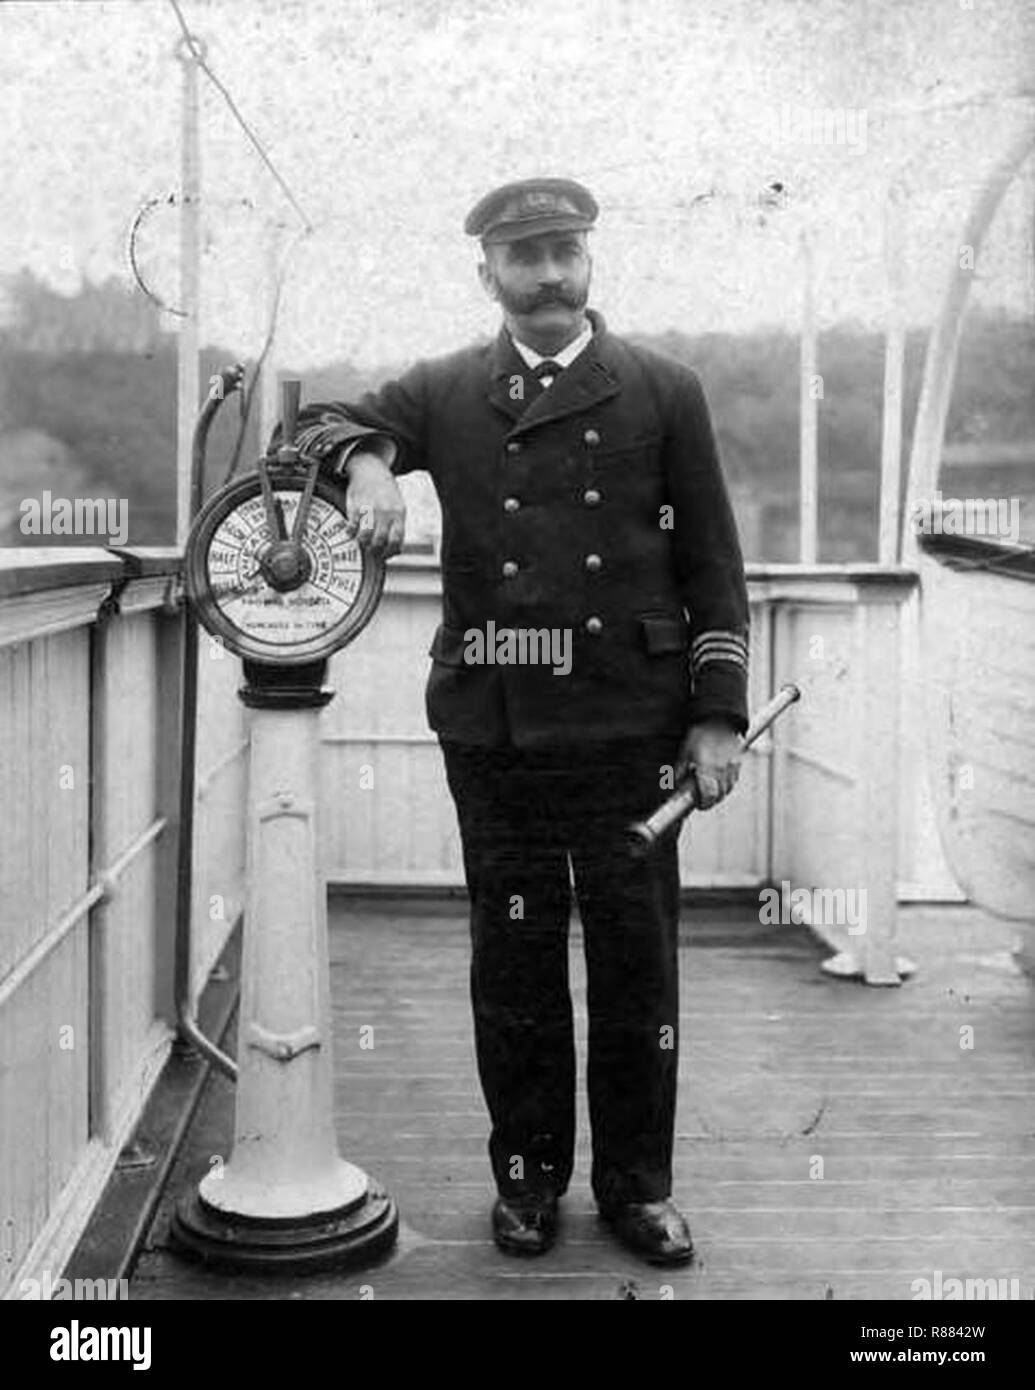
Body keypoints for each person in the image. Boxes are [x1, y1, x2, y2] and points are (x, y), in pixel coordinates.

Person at [282, 177, 749, 1266]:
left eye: (566, 250)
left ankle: (637, 1187)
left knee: (640, 969)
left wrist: (717, 714)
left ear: (591, 260)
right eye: (524, 253)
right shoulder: (449, 390)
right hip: (499, 730)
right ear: (485, 271)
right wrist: (367, 463)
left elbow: (712, 563)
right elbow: (307, 428)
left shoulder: (664, 388)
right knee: (518, 963)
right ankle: (530, 1184)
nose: (547, 273)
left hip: (634, 727)